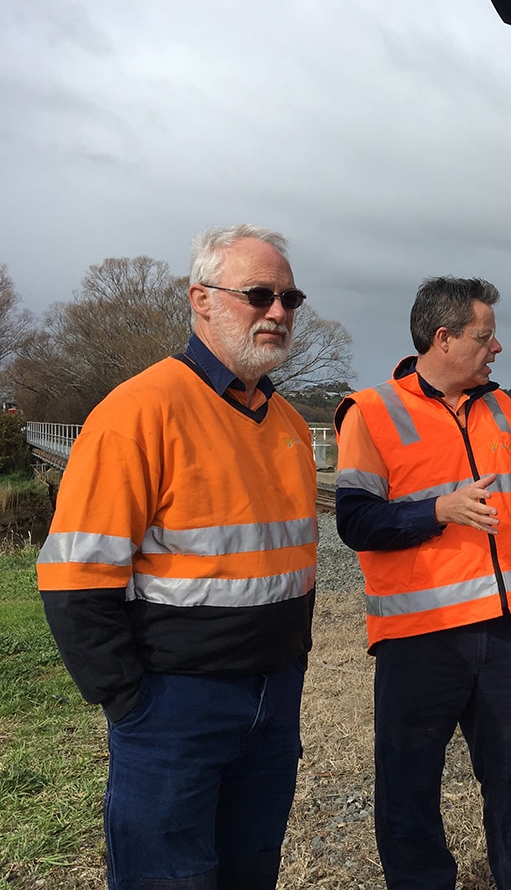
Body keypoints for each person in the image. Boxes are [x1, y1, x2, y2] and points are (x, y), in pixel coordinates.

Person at [37, 224, 318, 890]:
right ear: (201, 299)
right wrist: (132, 704)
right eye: (258, 295)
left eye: (289, 297)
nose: (277, 312)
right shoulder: (139, 411)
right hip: (174, 707)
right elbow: (75, 576)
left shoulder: (290, 425)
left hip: (273, 700)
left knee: (251, 870)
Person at [333, 275, 511, 890]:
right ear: (443, 338)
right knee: (410, 781)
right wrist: (436, 513)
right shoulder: (370, 413)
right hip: (419, 635)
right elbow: (356, 521)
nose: (496, 347)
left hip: (505, 630)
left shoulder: (500, 406)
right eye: (485, 335)